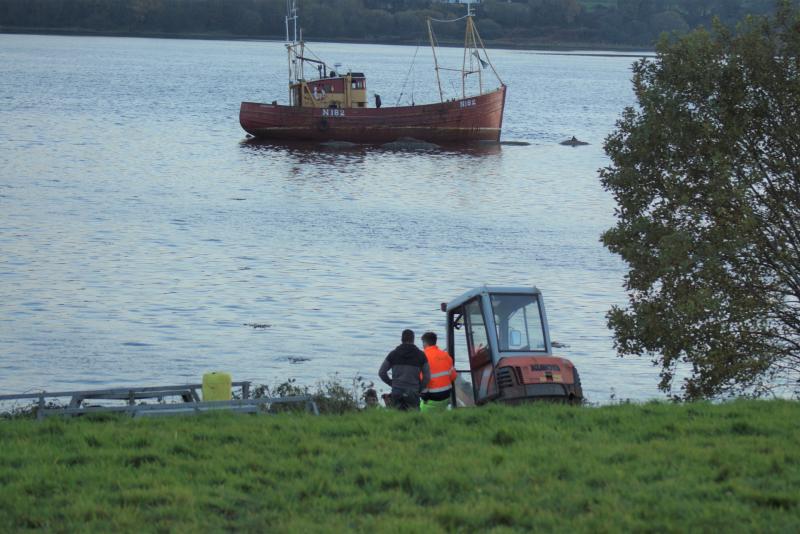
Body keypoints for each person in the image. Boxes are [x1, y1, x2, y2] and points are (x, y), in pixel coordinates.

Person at [379, 329, 430, 411]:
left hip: (397, 391)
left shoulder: (393, 354)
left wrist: (392, 383)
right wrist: (419, 388)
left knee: (396, 415)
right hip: (413, 391)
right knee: (413, 415)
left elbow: (381, 372)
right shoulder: (421, 355)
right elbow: (427, 376)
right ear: (413, 340)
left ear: (401, 339)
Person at [420, 332, 457, 412]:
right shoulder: (445, 355)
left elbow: (421, 380)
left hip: (431, 398)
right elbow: (453, 376)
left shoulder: (422, 357)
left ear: (425, 343)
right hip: (446, 396)